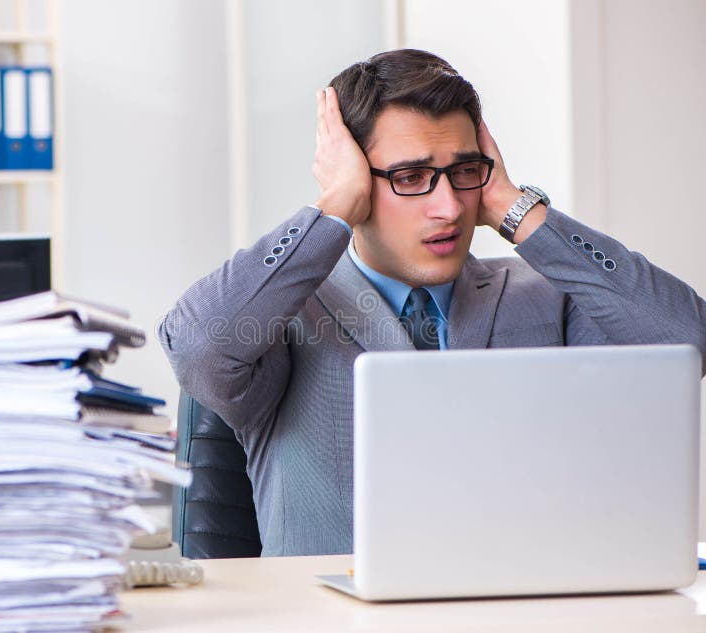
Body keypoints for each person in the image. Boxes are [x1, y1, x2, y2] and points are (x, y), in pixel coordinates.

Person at [159, 49, 706, 556]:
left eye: (465, 172)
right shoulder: (284, 316)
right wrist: (331, 211)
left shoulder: (547, 297)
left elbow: (687, 342)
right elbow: (198, 347)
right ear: (356, 180)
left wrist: (515, 209)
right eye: (411, 177)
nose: (448, 207)